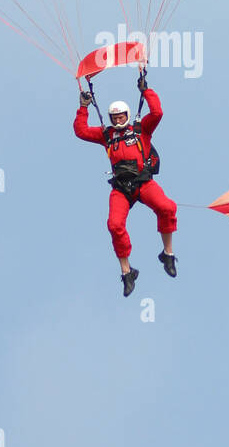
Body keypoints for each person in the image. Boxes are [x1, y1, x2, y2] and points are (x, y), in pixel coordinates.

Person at [74, 69, 178, 296]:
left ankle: (167, 254)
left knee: (167, 207)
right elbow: (80, 131)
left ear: (127, 115)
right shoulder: (107, 135)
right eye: (115, 117)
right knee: (114, 225)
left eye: (121, 116)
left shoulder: (141, 130)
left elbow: (157, 112)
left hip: (143, 183)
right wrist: (83, 107)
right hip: (121, 189)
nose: (118, 120)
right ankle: (127, 272)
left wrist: (146, 90)